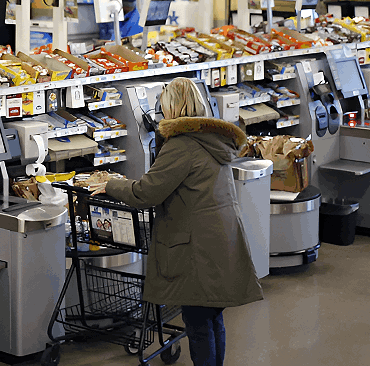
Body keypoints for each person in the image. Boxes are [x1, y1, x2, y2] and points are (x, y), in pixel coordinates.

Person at [93, 77, 262, 366]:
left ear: (173, 107)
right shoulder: (214, 139)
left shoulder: (182, 145)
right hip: (223, 237)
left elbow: (147, 192)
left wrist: (110, 184)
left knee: (197, 322)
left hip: (198, 246)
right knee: (212, 316)